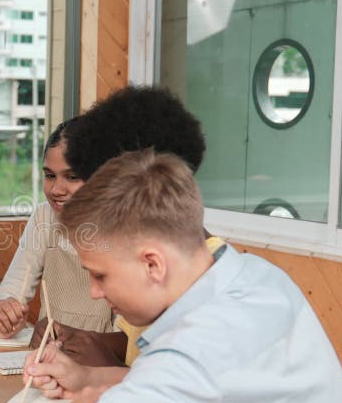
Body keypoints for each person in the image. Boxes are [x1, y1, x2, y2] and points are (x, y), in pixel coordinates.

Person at [30, 149, 342, 403]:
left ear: (153, 264)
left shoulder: (195, 355)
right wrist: (88, 378)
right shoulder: (258, 276)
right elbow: (215, 390)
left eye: (100, 275)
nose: (94, 291)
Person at [28, 86, 209, 369]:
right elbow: (141, 350)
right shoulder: (181, 266)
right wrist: (88, 349)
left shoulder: (213, 310)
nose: (95, 292)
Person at [0, 117, 125, 366]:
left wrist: (82, 340)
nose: (56, 189)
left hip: (104, 369)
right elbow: (13, 290)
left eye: (72, 177)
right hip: (49, 363)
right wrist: (5, 312)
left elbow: (129, 342)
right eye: (50, 176)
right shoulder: (44, 217)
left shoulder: (125, 231)